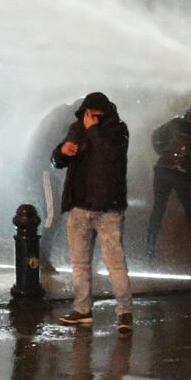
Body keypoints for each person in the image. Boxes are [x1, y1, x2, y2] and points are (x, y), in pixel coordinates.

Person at [53, 91, 133, 328]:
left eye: (93, 115)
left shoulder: (119, 130)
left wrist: (92, 131)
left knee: (115, 264)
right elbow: (58, 161)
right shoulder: (77, 128)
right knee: (79, 264)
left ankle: (125, 312)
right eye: (86, 115)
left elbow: (112, 155)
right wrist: (61, 151)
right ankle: (82, 309)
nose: (89, 118)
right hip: (79, 207)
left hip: (108, 210)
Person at [146, 102, 191, 265]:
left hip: (163, 169)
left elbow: (155, 136)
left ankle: (149, 251)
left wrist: (164, 152)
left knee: (158, 209)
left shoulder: (175, 122)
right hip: (184, 174)